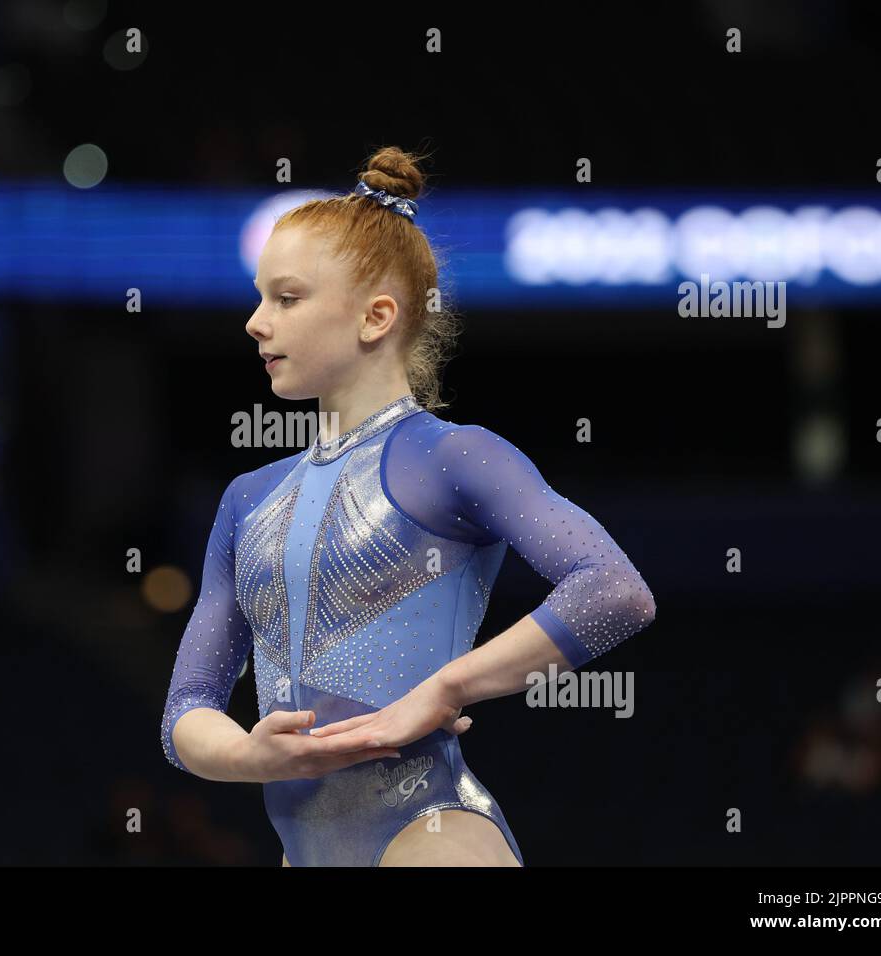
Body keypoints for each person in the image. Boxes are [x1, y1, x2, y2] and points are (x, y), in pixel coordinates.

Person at [160, 146, 657, 866]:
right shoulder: (245, 500)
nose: (255, 323)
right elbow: (186, 710)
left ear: (376, 317)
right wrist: (248, 755)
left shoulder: (455, 456)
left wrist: (446, 689)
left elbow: (614, 590)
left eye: (286, 298)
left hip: (432, 837)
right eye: (259, 297)